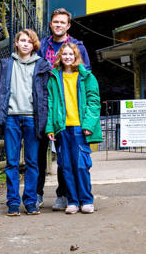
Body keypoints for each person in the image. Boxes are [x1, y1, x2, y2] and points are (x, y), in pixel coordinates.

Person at [37, 7, 91, 210]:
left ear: (68, 25)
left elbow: (86, 78)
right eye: (55, 22)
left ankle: (65, 194)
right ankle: (37, 194)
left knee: (66, 154)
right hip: (44, 102)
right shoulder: (42, 46)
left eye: (62, 22)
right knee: (40, 150)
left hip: (69, 107)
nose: (58, 25)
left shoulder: (77, 47)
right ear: (51, 24)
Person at [0, 29, 51, 216]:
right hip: (11, 118)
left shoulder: (42, 66)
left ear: (34, 45)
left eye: (29, 41)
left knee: (33, 162)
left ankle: (31, 201)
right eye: (22, 40)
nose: (25, 44)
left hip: (33, 118)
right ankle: (12, 202)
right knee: (11, 162)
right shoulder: (6, 64)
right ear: (16, 43)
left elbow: (47, 94)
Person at [45, 42, 102, 214]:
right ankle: (72, 201)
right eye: (65, 54)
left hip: (79, 127)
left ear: (76, 57)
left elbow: (94, 102)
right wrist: (50, 127)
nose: (68, 57)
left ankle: (86, 200)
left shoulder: (87, 77)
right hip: (62, 128)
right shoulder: (54, 78)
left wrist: (88, 124)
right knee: (66, 166)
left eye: (71, 54)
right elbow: (50, 103)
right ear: (60, 57)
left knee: (81, 165)